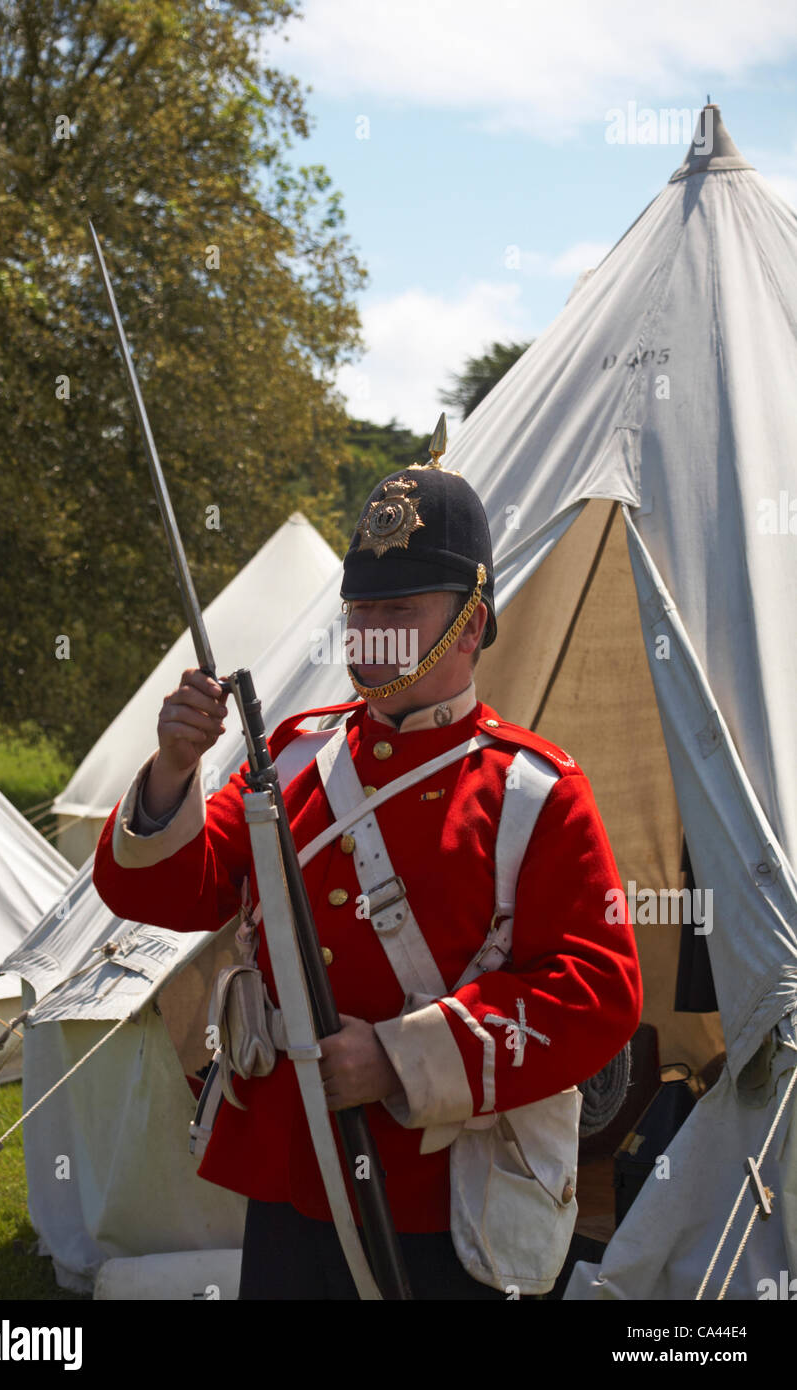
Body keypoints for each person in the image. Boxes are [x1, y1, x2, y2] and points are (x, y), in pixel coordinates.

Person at [92, 440, 642, 1300]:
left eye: (402, 608)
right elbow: (163, 889)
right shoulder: (297, 758)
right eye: (362, 610)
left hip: (447, 1201)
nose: (372, 632)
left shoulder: (534, 790)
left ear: (470, 622)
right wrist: (171, 770)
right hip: (297, 1174)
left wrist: (398, 1059)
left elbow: (596, 992)